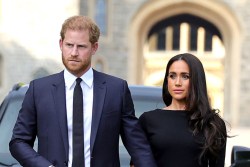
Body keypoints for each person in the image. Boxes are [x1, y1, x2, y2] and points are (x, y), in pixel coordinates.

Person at [9, 15, 157, 167]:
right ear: (61, 44)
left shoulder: (116, 89)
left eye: (81, 46)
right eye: (69, 45)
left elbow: (137, 146)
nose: (73, 53)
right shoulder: (39, 90)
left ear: (94, 48)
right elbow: (18, 141)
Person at [131, 53, 228, 167]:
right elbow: (136, 164)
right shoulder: (148, 120)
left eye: (185, 76)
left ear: (197, 81)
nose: (177, 83)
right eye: (172, 76)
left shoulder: (213, 123)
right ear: (167, 80)